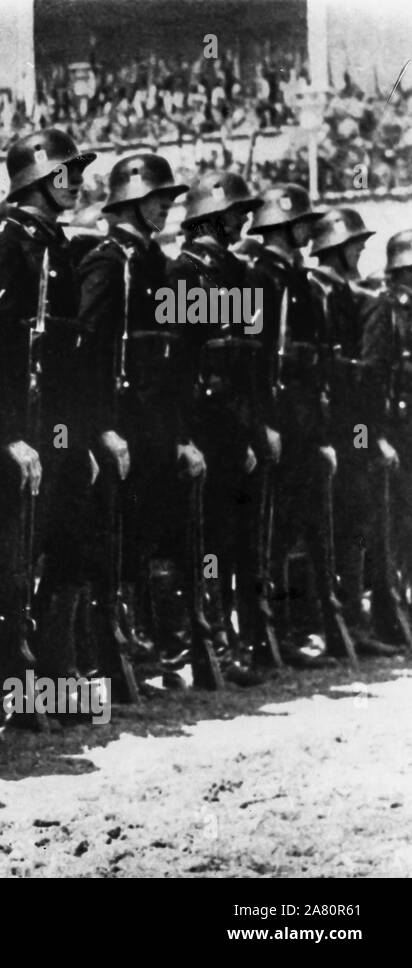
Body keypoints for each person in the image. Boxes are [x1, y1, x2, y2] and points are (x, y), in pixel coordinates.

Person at [0, 129, 126, 723]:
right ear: (35, 179)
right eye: (65, 172)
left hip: (54, 431)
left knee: (67, 546)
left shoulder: (58, 249)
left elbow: (70, 362)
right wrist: (5, 435)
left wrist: (79, 437)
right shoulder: (7, 247)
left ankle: (54, 677)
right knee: (9, 563)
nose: (75, 181)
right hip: (18, 430)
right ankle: (11, 691)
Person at [78, 153, 227, 688]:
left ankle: (145, 647)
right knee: (113, 546)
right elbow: (89, 353)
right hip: (122, 429)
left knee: (147, 541)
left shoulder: (154, 264)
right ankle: (111, 656)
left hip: (156, 430)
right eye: (161, 199)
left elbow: (178, 361)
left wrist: (182, 436)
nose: (169, 207)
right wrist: (102, 427)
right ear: (136, 201)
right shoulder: (109, 262)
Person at [169, 170, 277, 679]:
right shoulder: (185, 271)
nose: (244, 220)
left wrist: (252, 429)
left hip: (233, 424)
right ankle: (207, 637)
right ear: (212, 215)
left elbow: (250, 357)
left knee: (233, 534)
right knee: (207, 536)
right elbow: (182, 358)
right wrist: (185, 434)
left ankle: (228, 637)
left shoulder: (237, 271)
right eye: (237, 213)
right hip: (203, 419)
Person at [243, 184, 353, 668]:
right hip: (278, 419)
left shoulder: (298, 280)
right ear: (283, 226)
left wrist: (322, 436)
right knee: (273, 533)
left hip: (304, 424)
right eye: (302, 222)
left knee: (300, 532)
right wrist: (262, 424)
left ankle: (295, 630)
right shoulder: (261, 278)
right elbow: (254, 361)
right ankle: (271, 636)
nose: (310, 229)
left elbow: (315, 368)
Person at [309, 209, 406, 656]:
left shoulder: (344, 294)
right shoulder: (362, 299)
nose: (360, 250)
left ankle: (364, 617)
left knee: (360, 521)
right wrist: (376, 434)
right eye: (354, 244)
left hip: (348, 423)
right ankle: (354, 618)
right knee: (358, 520)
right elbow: (369, 374)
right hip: (356, 425)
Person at [360, 229, 412, 649]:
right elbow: (372, 375)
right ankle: (388, 616)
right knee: (391, 523)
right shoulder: (387, 309)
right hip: (393, 430)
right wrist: (375, 435)